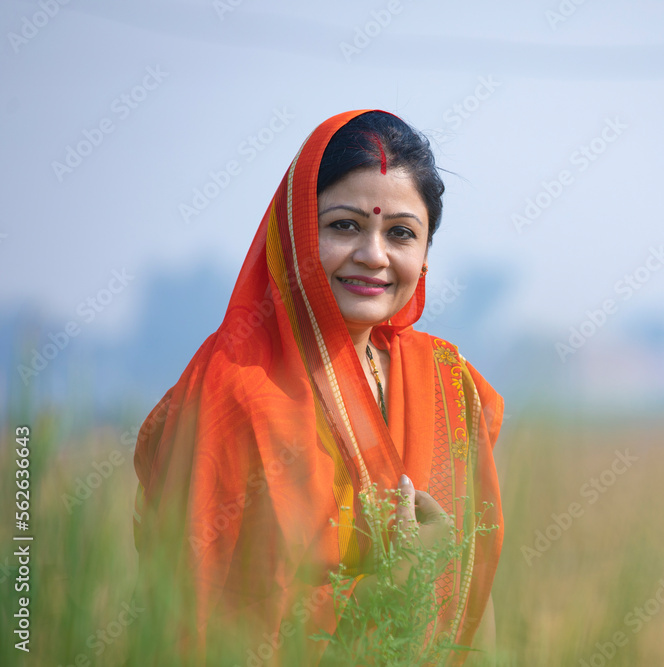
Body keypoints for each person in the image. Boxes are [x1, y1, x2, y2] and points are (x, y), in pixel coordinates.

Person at [129, 109, 504, 666]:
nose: (373, 255)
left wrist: (441, 566)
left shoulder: (448, 382)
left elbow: (478, 600)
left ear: (425, 254)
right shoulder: (232, 391)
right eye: (345, 225)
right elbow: (199, 607)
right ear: (296, 232)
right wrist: (405, 576)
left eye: (400, 232)